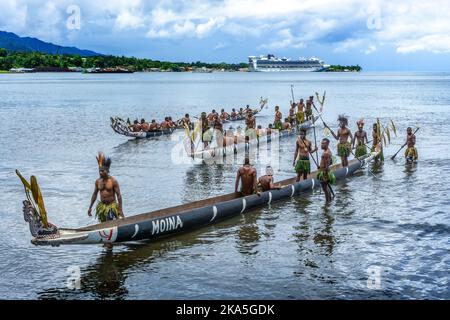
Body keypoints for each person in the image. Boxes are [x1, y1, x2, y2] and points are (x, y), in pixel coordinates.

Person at [88, 152, 124, 222]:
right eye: (99, 171)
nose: (100, 173)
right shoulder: (98, 181)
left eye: (102, 171)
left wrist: (120, 210)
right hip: (103, 207)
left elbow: (119, 195)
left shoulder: (113, 181)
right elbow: (94, 194)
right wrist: (90, 207)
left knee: (111, 222)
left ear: (107, 171)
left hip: (112, 206)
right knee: (103, 223)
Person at [317, 138, 336, 203]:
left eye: (323, 144)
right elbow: (330, 162)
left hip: (325, 172)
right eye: (321, 143)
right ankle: (329, 201)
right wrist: (320, 166)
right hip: (323, 170)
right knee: (325, 188)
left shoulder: (327, 153)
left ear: (327, 144)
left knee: (325, 188)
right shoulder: (326, 151)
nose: (321, 145)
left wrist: (325, 175)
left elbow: (327, 165)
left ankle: (327, 202)